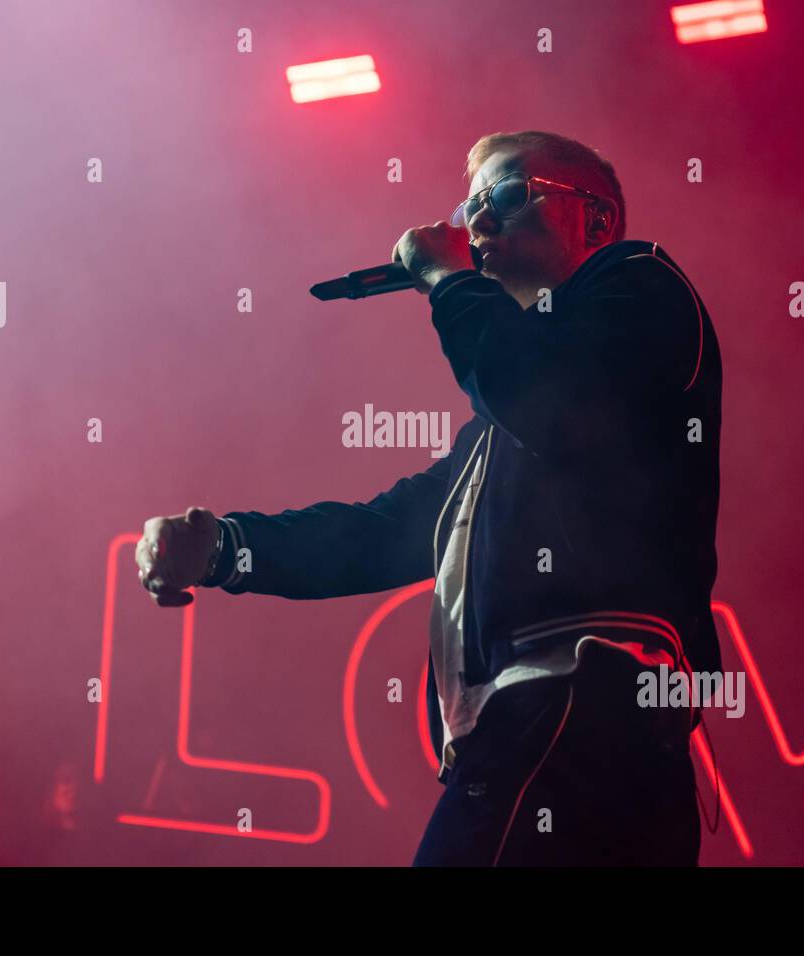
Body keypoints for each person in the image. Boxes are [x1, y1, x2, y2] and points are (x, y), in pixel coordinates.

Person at [136, 130, 722, 866]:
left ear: (596, 222)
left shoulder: (639, 282)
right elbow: (385, 531)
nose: (477, 224)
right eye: (467, 207)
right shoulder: (496, 438)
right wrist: (226, 548)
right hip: (587, 732)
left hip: (574, 697)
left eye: (507, 197)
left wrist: (450, 283)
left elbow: (547, 400)